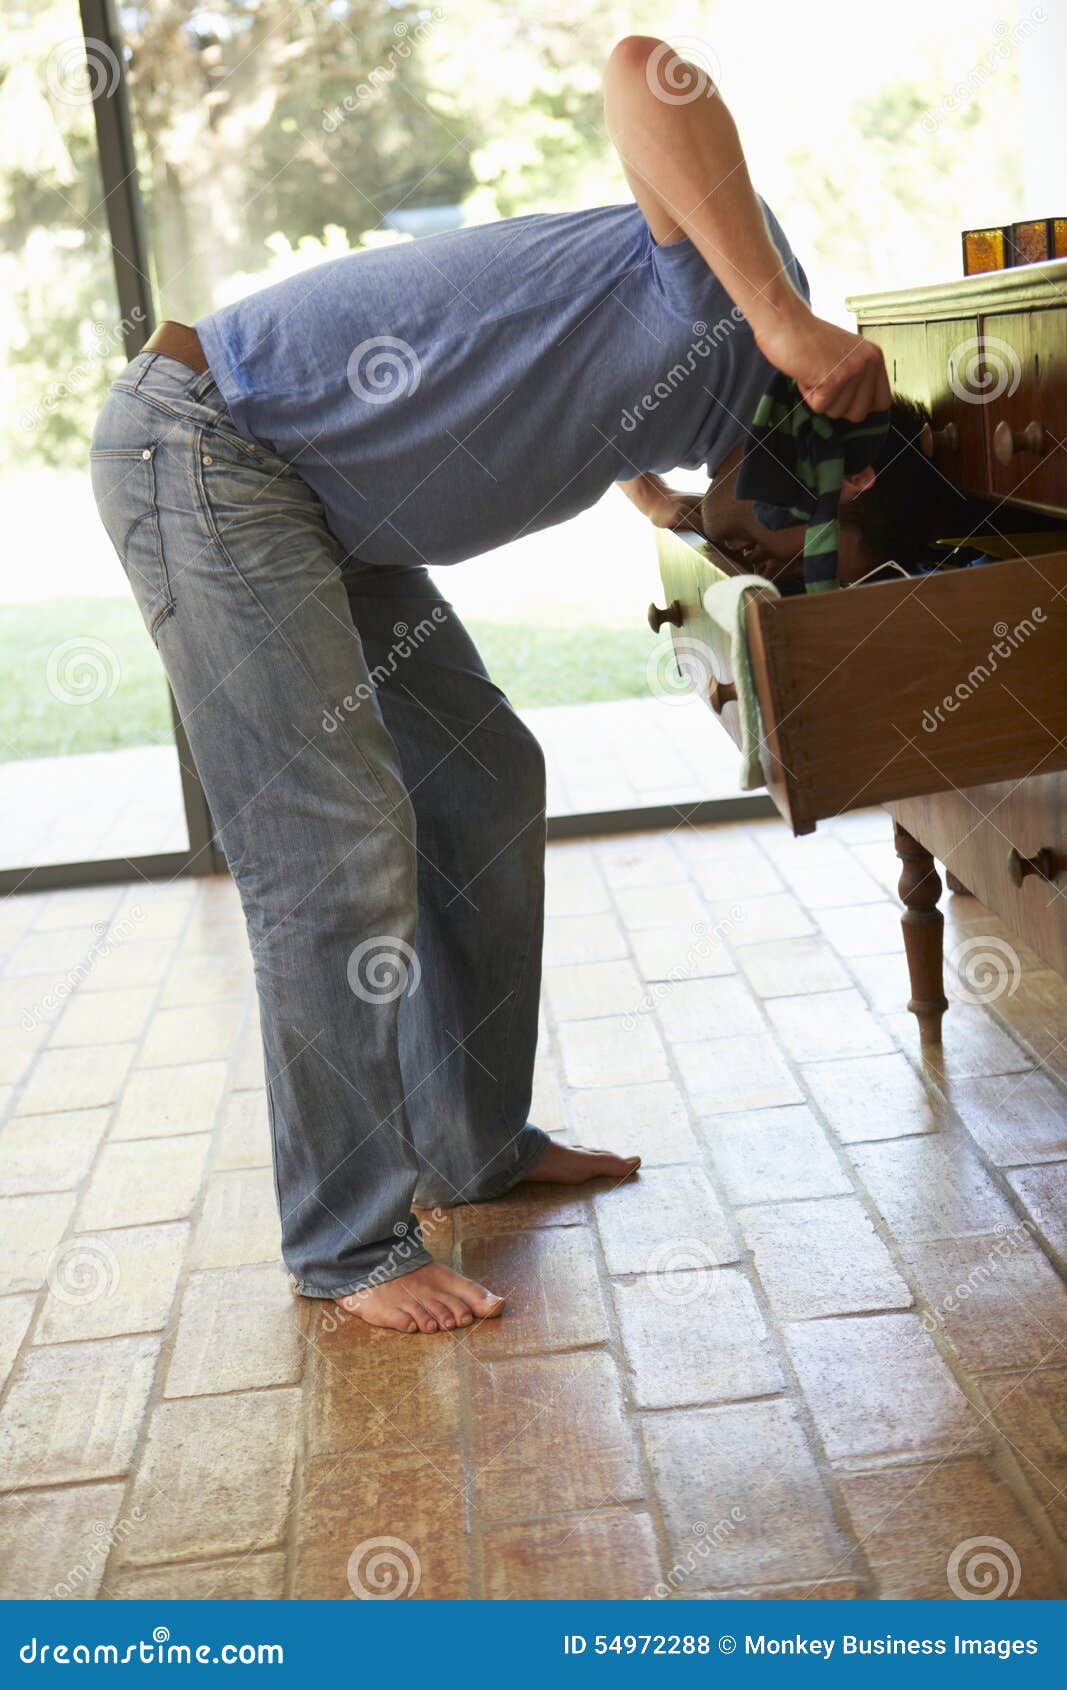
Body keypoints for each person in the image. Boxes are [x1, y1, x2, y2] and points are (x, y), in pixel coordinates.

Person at [89, 35, 914, 1336]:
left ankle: (471, 1146)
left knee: (482, 776)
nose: (749, 553)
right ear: (817, 458)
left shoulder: (711, 411)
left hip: (314, 505)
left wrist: (647, 479)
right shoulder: (743, 304)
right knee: (337, 841)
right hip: (214, 446)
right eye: (786, 546)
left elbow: (552, 360)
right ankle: (347, 1243)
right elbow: (648, 67)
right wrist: (773, 308)